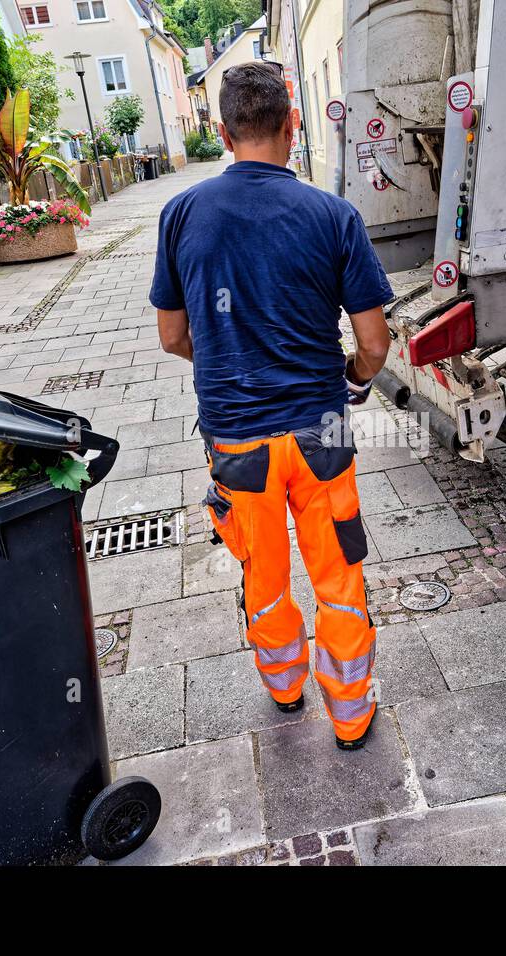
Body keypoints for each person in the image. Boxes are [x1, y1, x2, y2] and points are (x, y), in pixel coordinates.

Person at [150, 62, 393, 751]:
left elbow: (172, 337)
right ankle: (350, 715)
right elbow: (374, 344)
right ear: (293, 126)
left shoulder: (181, 215)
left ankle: (284, 689)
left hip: (237, 444)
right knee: (338, 574)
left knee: (265, 573)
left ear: (224, 134)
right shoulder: (333, 215)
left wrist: (230, 359)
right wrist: (346, 372)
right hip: (319, 431)